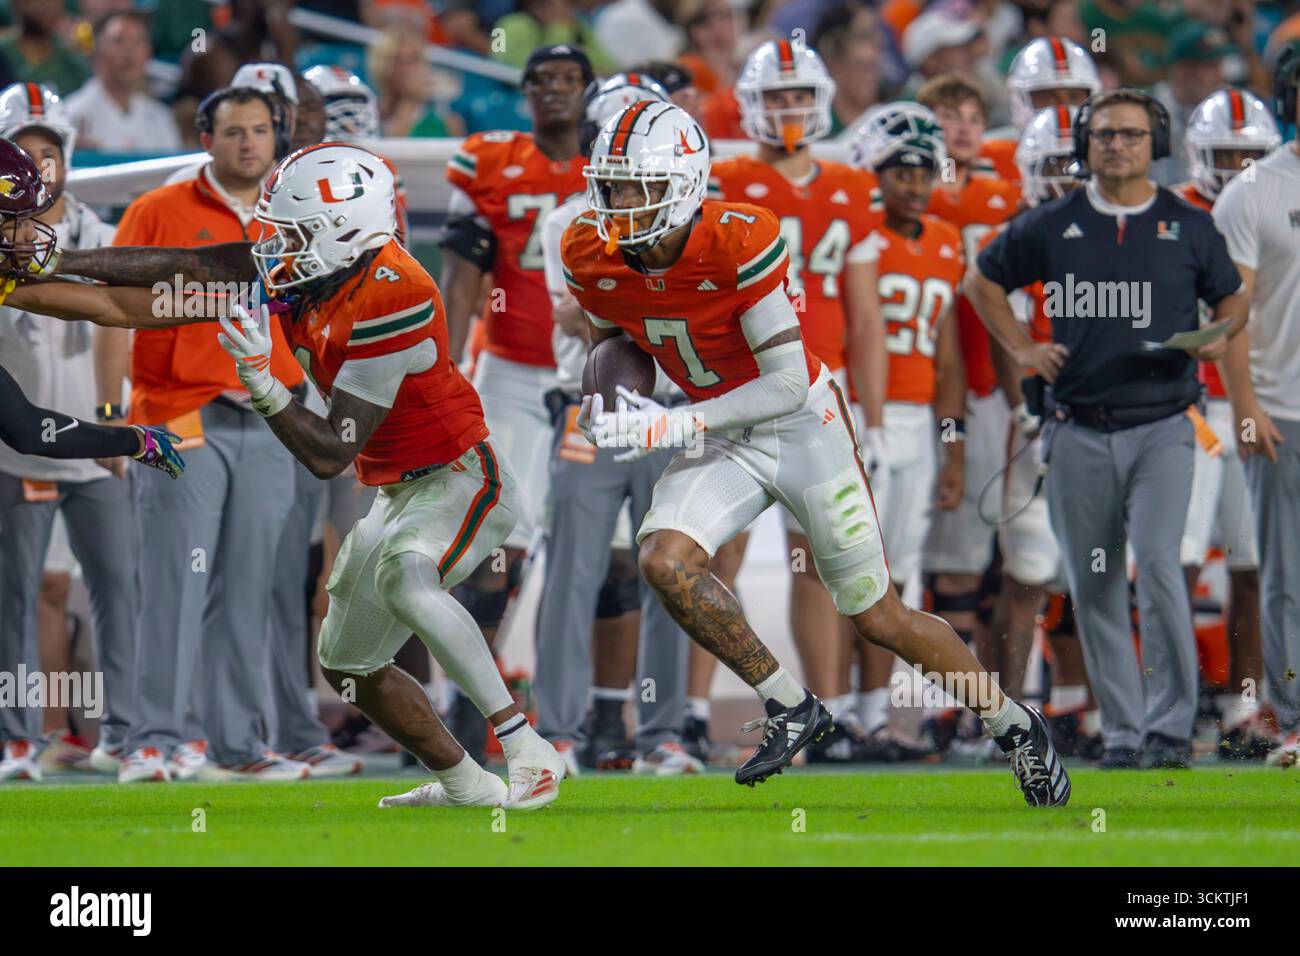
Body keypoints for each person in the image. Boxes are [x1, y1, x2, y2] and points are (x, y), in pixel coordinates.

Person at [10, 142, 569, 809]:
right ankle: (466, 784)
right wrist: (47, 266)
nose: (273, 246)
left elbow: (331, 453)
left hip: (462, 476)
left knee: (404, 577)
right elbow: (173, 277)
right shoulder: (307, 272)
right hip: (398, 490)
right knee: (349, 667)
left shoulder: (396, 294)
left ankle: (524, 743)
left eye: (291, 233)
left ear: (346, 232)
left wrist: (262, 386)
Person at [564, 100, 1069, 807]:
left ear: (682, 183)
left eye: (635, 186)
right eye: (610, 185)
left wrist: (672, 426)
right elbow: (614, 343)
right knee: (663, 561)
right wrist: (610, 405)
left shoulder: (739, 238)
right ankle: (790, 705)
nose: (616, 203)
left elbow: (787, 382)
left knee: (877, 615)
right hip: (719, 432)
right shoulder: (590, 250)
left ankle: (1015, 725)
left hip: (801, 425)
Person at [965, 88, 1251, 770]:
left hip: (1165, 425)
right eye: (1103, 135)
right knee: (1092, 585)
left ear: (1155, 142)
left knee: (1158, 568)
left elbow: (1234, 293)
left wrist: (1217, 335)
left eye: (1129, 133)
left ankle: (1170, 729)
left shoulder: (1188, 222)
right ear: (1085, 146)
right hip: (1077, 426)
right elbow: (980, 282)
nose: (1116, 145)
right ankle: (1124, 733)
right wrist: (1023, 350)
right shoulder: (1051, 220)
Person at [90, 84, 306, 784]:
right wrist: (108, 415)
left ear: (277, 137)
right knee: (174, 581)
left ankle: (237, 748)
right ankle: (151, 740)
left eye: (260, 129)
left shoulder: (296, 210)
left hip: (273, 414)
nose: (248, 142)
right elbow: (112, 307)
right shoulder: (159, 208)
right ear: (205, 139)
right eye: (233, 130)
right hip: (178, 412)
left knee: (250, 585)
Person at [708, 39, 887, 761]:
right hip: (743, 387)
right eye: (776, 96)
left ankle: (830, 716)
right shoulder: (723, 178)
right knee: (717, 558)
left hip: (818, 389)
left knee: (821, 560)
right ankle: (702, 712)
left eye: (798, 96)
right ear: (753, 103)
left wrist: (870, 416)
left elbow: (866, 314)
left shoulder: (852, 183)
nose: (788, 110)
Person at [535, 72, 702, 774]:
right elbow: (581, 317)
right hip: (594, 409)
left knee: (672, 572)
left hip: (678, 410)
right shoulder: (567, 223)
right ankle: (558, 730)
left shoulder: (700, 221)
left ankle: (662, 732)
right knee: (572, 570)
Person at [439, 44, 591, 761]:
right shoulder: (489, 161)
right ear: (524, 91)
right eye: (541, 80)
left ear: (589, 92)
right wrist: (445, 364)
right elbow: (464, 272)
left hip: (596, 374)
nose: (555, 91)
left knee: (604, 550)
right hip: (508, 372)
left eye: (569, 80)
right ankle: (471, 702)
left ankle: (597, 717)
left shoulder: (612, 160)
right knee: (500, 545)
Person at [0, 82, 138, 782]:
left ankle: (127, 734)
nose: (37, 168)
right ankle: (21, 738)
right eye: (22, 154)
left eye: (46, 152)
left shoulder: (101, 237)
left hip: (87, 441)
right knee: (19, 596)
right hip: (16, 444)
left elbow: (116, 322)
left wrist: (115, 421)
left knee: (120, 587)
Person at [1176, 86, 1278, 760]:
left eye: (1249, 158)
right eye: (1225, 156)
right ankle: (1175, 704)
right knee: (1174, 561)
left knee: (1252, 562)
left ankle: (1246, 704)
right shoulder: (1171, 213)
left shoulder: (1278, 207)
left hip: (1255, 399)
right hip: (1185, 405)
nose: (1238, 170)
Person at [914, 77, 1022, 710]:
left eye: (971, 112)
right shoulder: (909, 194)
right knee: (943, 553)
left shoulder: (1007, 194)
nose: (960, 124)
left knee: (1009, 553)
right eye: (946, 114)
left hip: (995, 390)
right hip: (929, 391)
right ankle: (943, 705)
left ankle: (997, 696)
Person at [1211, 48, 1300, 769]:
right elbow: (1228, 313)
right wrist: (1243, 404)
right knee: (1286, 572)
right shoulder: (1251, 191)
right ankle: (1296, 716)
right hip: (1283, 407)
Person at [982, 35, 1101, 182]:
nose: (1062, 107)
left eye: (1073, 96)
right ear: (1018, 99)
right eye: (1048, 97)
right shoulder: (985, 154)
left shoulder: (1110, 151)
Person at [63, 9, 180, 155]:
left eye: (138, 41)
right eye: (119, 41)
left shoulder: (161, 118)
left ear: (149, 53)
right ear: (98, 52)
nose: (129, 51)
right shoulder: (71, 115)